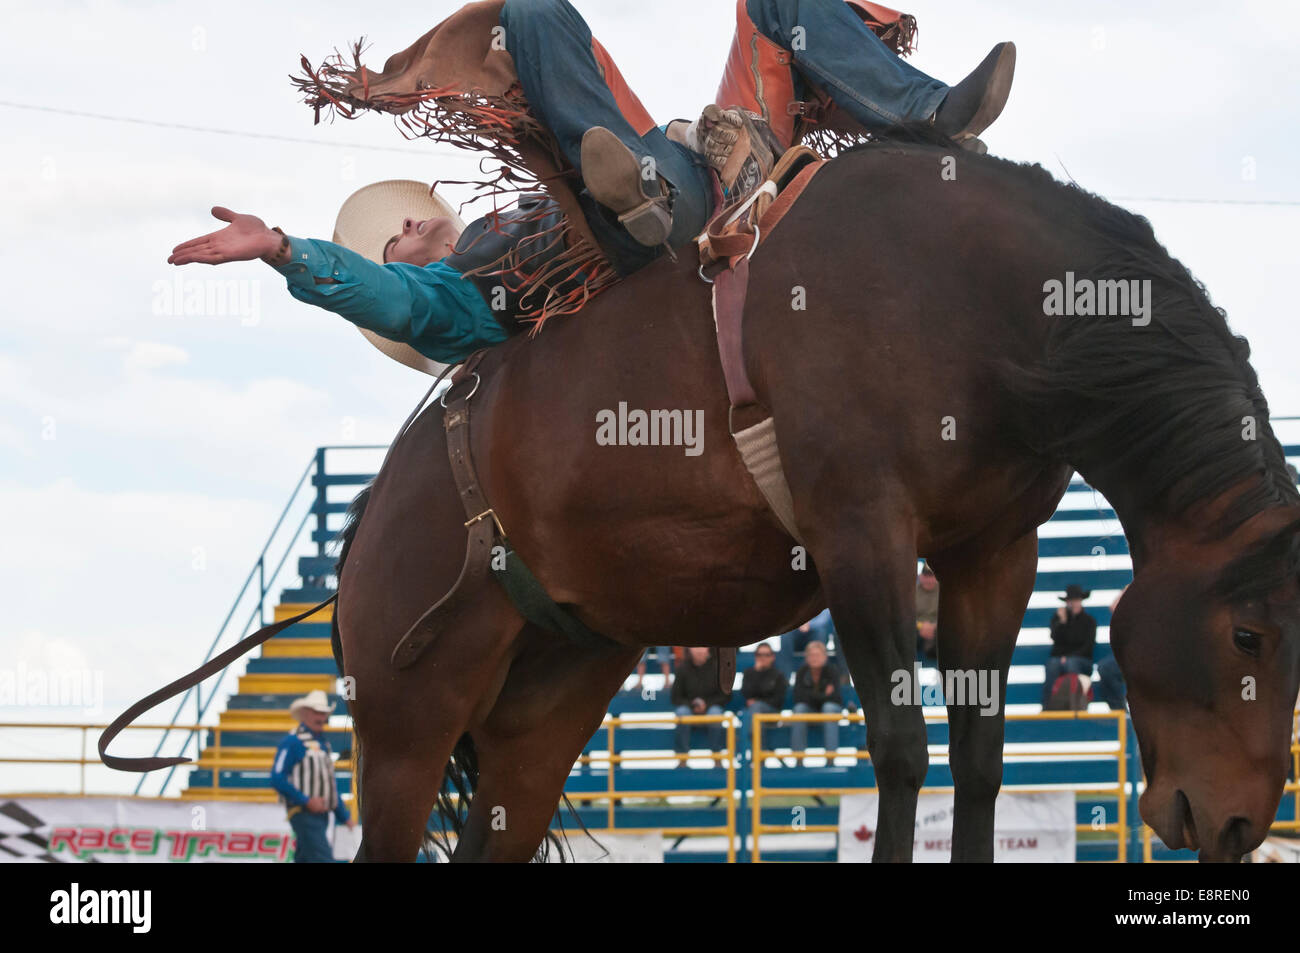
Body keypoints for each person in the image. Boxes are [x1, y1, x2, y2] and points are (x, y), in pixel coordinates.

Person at [270, 690, 355, 863]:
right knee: (321, 858)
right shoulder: (293, 742)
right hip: (303, 813)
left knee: (306, 858)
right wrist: (306, 800)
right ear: (304, 714)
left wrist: (344, 816)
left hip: (320, 816)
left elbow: (329, 786)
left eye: (323, 713)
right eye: (317, 712)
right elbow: (276, 777)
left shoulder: (324, 745)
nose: (321, 717)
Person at [1040, 584, 1098, 709]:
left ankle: (1074, 707)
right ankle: (1047, 708)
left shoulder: (1089, 621)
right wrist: (1062, 622)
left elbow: (1088, 647)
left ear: (1081, 601)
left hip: (1082, 660)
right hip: (1060, 659)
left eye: (1076, 600)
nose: (1074, 604)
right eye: (1071, 601)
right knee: (1052, 665)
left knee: (1071, 664)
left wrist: (1069, 657)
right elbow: (1055, 639)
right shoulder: (1059, 619)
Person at [671, 647, 731, 756]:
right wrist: (692, 705)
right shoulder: (682, 669)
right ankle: (682, 757)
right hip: (689, 709)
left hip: (711, 708)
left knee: (715, 713)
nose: (699, 650)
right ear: (689, 649)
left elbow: (725, 695)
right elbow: (675, 697)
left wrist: (706, 705)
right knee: (681, 713)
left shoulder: (717, 667)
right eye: (695, 646)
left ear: (708, 649)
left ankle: (717, 755)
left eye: (702, 646)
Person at [791, 640, 845, 753]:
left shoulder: (832, 671)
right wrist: (824, 695)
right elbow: (798, 697)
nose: (814, 658)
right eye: (811, 655)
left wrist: (810, 695)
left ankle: (831, 757)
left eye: (817, 655)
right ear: (806, 658)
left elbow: (835, 698)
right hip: (810, 711)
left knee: (829, 708)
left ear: (825, 657)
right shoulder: (802, 672)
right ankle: (798, 757)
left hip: (830, 711)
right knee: (799, 709)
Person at [1094, 585, 1130, 710]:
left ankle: (1120, 711)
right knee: (1105, 670)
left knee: (1106, 669)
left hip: (1142, 656)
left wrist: (1128, 589)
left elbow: (1114, 607)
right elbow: (1113, 607)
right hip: (1129, 655)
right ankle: (1119, 711)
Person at [915, 563, 939, 664]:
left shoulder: (946, 591)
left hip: (938, 629)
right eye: (926, 576)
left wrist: (934, 627)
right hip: (916, 629)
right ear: (920, 577)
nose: (929, 580)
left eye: (931, 576)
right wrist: (920, 626)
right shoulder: (911, 591)